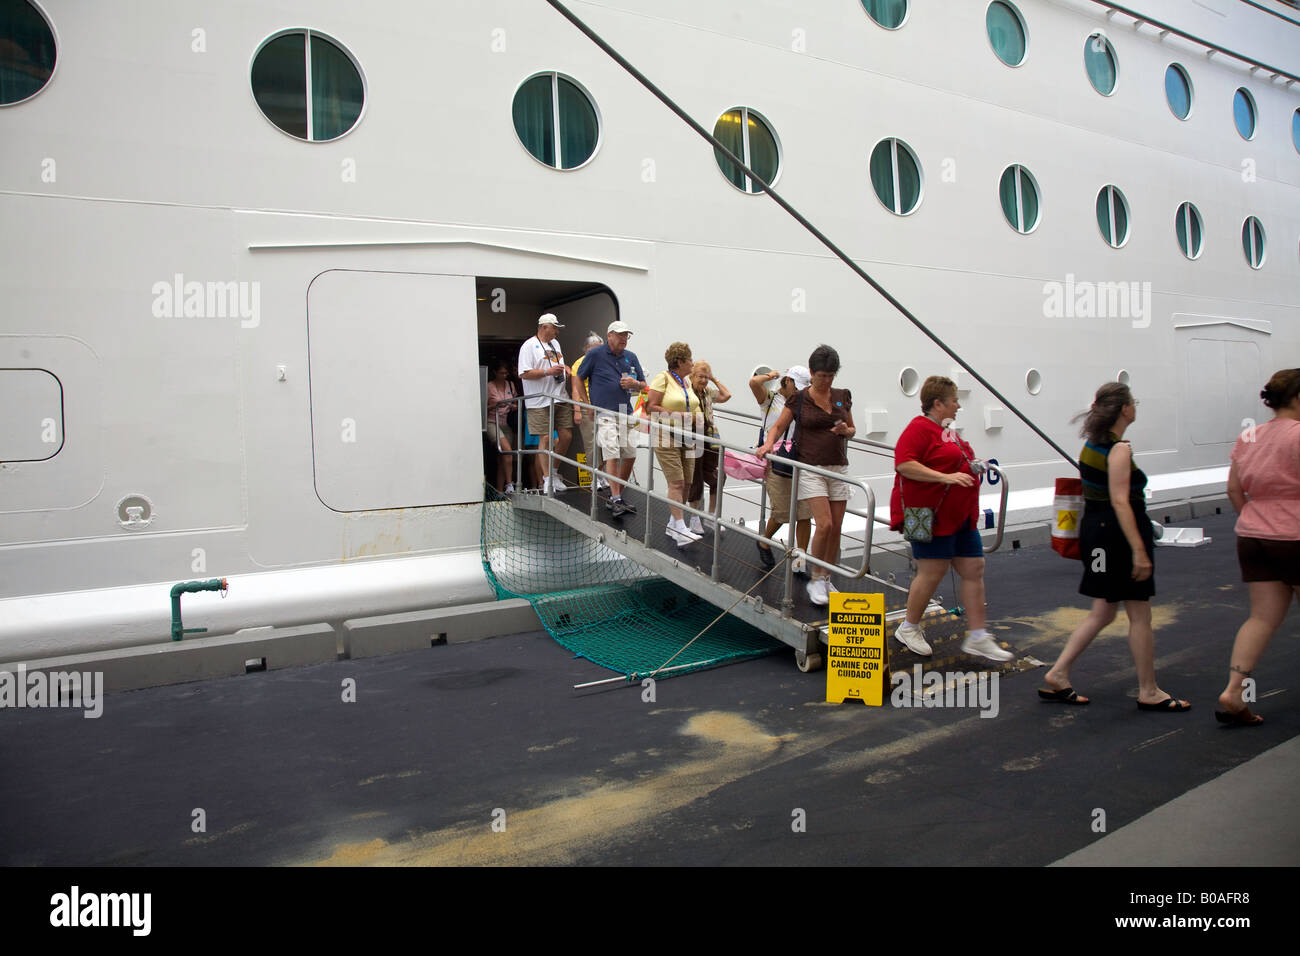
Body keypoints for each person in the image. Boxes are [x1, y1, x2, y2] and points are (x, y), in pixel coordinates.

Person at [1039, 382, 1189, 710]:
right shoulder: (1120, 449)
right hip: (1118, 533)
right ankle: (1148, 690)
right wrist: (1139, 549)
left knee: (1103, 611)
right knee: (1139, 613)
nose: (1135, 406)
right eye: (1133, 402)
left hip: (1095, 531)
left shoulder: (1091, 445)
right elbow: (1121, 502)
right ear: (1124, 410)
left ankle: (1058, 673)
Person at [890, 376, 1012, 661]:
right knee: (932, 572)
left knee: (974, 568)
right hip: (927, 516)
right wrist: (945, 477)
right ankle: (908, 627)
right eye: (954, 400)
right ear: (938, 403)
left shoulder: (947, 431)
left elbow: (953, 460)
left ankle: (979, 635)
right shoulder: (919, 429)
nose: (958, 406)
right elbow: (904, 464)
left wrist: (973, 465)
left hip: (958, 517)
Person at [1216, 369, 1300, 725]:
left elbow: (1234, 490)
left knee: (1261, 618)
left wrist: (1255, 519)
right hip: (1294, 534)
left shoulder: (1249, 435)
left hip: (1252, 535)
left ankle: (1234, 692)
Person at [756, 346, 856, 606]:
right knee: (823, 524)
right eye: (822, 375)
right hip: (810, 468)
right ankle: (814, 578)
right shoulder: (799, 399)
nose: (826, 381)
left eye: (831, 376)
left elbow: (853, 429)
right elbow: (778, 426)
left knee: (836, 528)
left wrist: (846, 429)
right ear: (811, 373)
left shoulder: (842, 396)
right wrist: (768, 445)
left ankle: (824, 576)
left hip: (838, 467)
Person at [575, 320, 648, 518]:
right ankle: (615, 499)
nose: (624, 338)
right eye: (620, 335)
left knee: (630, 454)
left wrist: (635, 383)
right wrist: (585, 402)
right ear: (610, 336)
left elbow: (643, 384)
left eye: (626, 335)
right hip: (604, 411)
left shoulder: (631, 357)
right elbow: (578, 377)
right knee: (611, 453)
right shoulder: (595, 354)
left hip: (625, 410)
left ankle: (618, 496)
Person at [749, 366, 813, 574]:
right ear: (789, 381)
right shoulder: (771, 398)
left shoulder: (805, 403)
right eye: (797, 385)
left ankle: (800, 561)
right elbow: (753, 383)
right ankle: (764, 541)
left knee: (804, 513)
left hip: (800, 459)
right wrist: (771, 375)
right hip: (776, 460)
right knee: (782, 511)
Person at [646, 342, 703, 546]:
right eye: (690, 359)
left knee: (687, 482)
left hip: (688, 435)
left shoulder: (686, 383)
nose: (692, 363)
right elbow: (650, 406)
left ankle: (673, 524)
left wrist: (698, 418)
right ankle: (680, 528)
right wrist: (677, 415)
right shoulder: (663, 378)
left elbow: (693, 405)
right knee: (676, 482)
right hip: (666, 434)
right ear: (679, 362)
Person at [517, 313, 573, 494]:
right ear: (543, 327)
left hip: (560, 396)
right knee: (546, 438)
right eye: (554, 327)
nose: (557, 331)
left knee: (566, 436)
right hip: (539, 400)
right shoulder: (528, 346)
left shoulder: (555, 344)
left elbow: (557, 363)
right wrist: (547, 372)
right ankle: (547, 478)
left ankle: (554, 472)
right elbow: (524, 373)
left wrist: (564, 368)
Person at [686, 360, 731, 533]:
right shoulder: (687, 392)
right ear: (692, 376)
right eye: (700, 376)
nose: (703, 380)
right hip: (693, 436)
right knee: (695, 477)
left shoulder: (708, 392)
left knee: (718, 475)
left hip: (710, 438)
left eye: (706, 377)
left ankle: (712, 516)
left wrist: (713, 379)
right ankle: (695, 518)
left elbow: (727, 395)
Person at [570, 331, 606, 491]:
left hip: (604, 408)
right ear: (587, 348)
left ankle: (603, 474)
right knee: (591, 444)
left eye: (600, 347)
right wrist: (577, 410)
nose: (598, 351)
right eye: (595, 348)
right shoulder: (579, 364)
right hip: (587, 408)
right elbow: (575, 389)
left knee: (605, 442)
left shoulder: (604, 362)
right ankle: (594, 477)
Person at [485, 360, 518, 493]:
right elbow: (483, 408)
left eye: (506, 373)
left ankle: (499, 490)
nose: (504, 375)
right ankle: (509, 484)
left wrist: (512, 406)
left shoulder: (510, 385)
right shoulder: (489, 386)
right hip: (492, 422)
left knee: (503, 457)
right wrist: (496, 405)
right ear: (495, 373)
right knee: (507, 450)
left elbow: (516, 403)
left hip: (505, 423)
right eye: (501, 373)